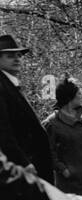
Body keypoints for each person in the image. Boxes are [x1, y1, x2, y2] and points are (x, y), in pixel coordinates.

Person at [0, 34, 54, 180]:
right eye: (10, 55)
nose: (17, 59)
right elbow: (3, 132)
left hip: (32, 163)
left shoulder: (11, 84)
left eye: (19, 55)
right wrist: (23, 163)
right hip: (22, 168)